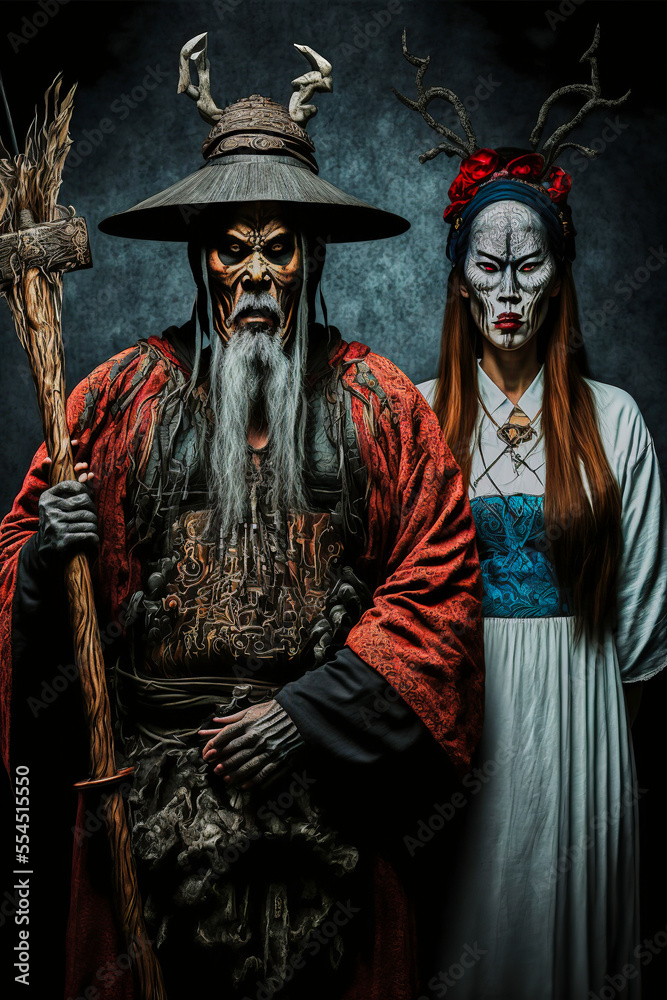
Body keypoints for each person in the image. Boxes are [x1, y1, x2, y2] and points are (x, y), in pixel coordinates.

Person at [0, 36, 484, 1000]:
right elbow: (15, 556)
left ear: (308, 261)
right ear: (200, 258)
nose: (255, 273)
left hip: (329, 805)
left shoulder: (379, 404)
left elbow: (439, 591)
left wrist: (308, 716)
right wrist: (43, 563)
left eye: (278, 247)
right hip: (147, 805)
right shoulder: (112, 400)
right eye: (233, 247)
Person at [395, 27, 667, 1000]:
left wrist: (604, 773)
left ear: (561, 275)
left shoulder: (615, 422)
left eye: (531, 265)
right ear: (459, 278)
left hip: (589, 727)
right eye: (487, 266)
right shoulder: (417, 417)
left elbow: (638, 646)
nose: (508, 291)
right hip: (460, 732)